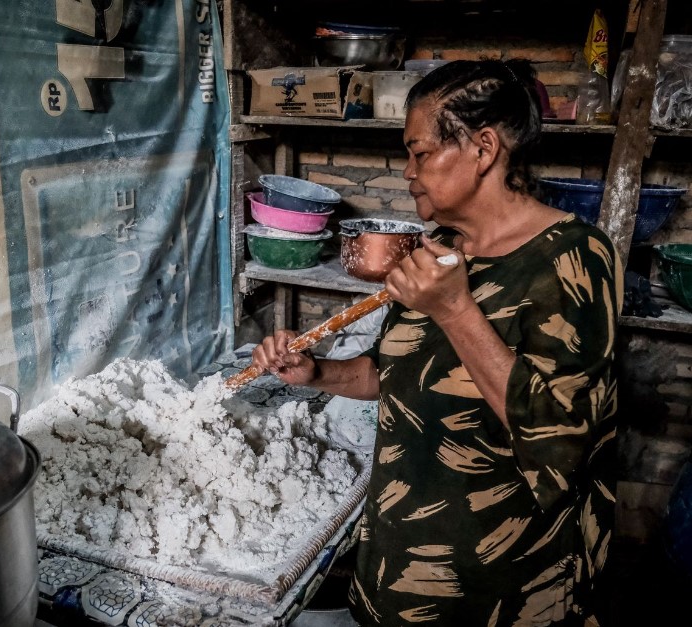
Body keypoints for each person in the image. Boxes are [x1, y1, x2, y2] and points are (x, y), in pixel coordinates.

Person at [252, 59, 622, 626]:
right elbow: (392, 373)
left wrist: (454, 308)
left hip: (497, 586)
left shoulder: (574, 259)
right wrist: (317, 372)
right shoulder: (439, 249)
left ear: (483, 148)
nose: (407, 171)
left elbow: (559, 443)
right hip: (400, 564)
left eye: (420, 153)